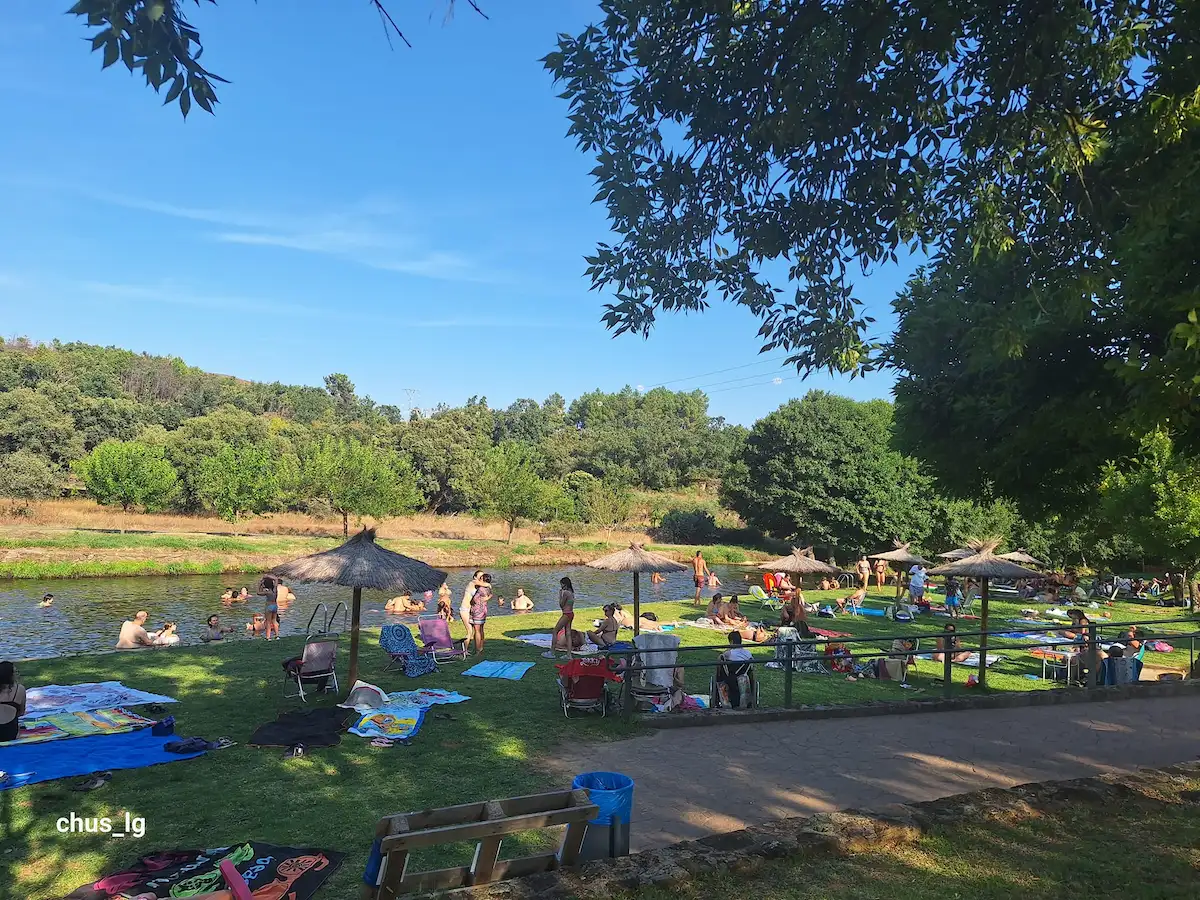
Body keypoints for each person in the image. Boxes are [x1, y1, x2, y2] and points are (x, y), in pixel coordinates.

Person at [715, 632, 754, 708]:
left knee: (720, 670)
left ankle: (723, 699)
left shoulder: (729, 653)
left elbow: (720, 659)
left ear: (731, 642)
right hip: (744, 676)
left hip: (731, 678)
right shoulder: (748, 653)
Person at [0, 661, 27, 743]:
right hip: (10, 734)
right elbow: (21, 713)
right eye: (15, 672)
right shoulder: (20, 689)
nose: (17, 674)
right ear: (10, 675)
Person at [550, 577, 576, 654]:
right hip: (571, 613)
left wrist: (560, 595)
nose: (560, 586)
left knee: (555, 631)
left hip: (566, 614)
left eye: (561, 584)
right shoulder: (571, 592)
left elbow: (561, 605)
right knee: (568, 634)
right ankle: (569, 654)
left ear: (564, 584)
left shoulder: (565, 593)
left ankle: (552, 652)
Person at [469, 574, 492, 656]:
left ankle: (478, 650)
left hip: (478, 611)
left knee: (477, 630)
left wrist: (472, 601)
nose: (479, 579)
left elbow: (475, 599)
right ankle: (480, 648)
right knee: (481, 630)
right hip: (483, 610)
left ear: (483, 579)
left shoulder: (481, 589)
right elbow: (490, 595)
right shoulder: (488, 588)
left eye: (481, 578)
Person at [461, 570, 485, 639]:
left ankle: (478, 648)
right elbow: (487, 584)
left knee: (477, 630)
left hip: (472, 610)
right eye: (480, 576)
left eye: (483, 576)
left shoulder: (479, 586)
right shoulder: (472, 583)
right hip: (465, 609)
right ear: (475, 577)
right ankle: (465, 649)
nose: (481, 578)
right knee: (470, 631)